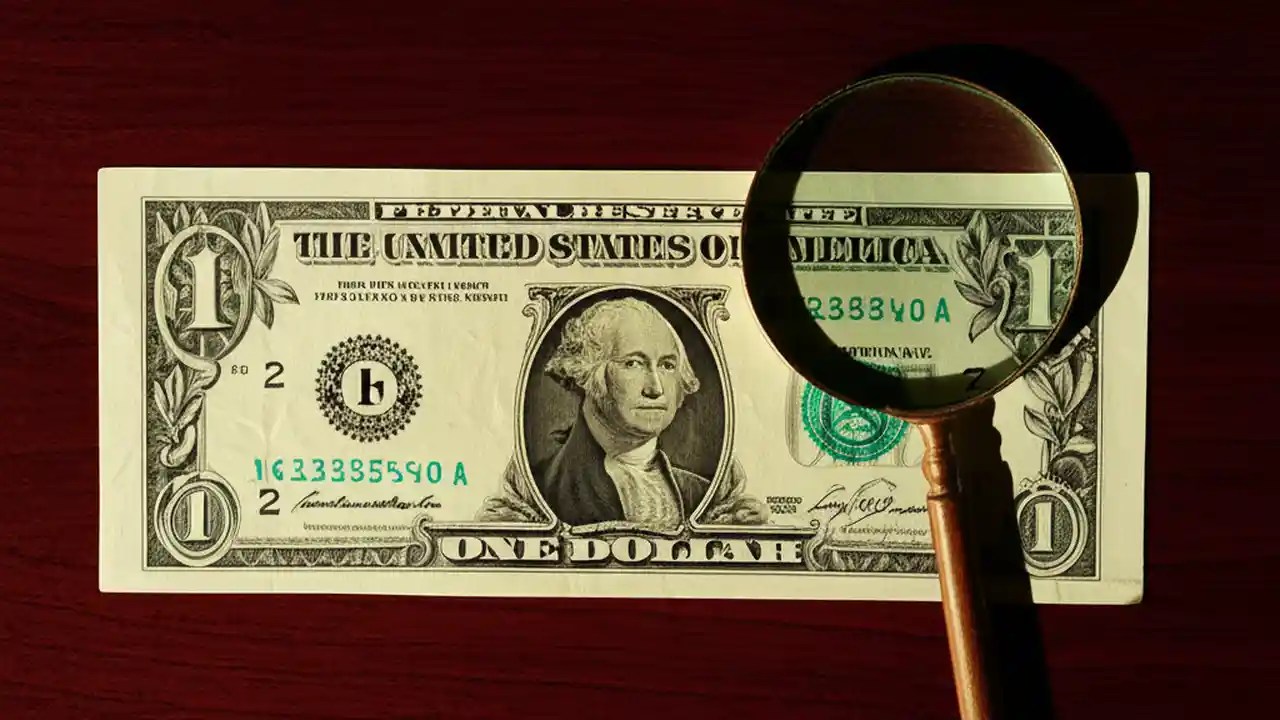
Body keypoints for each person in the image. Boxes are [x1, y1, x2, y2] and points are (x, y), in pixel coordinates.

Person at [533, 297, 710, 530]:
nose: (655, 389)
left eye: (667, 365)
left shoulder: (704, 494)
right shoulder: (538, 489)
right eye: (633, 363)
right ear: (587, 371)